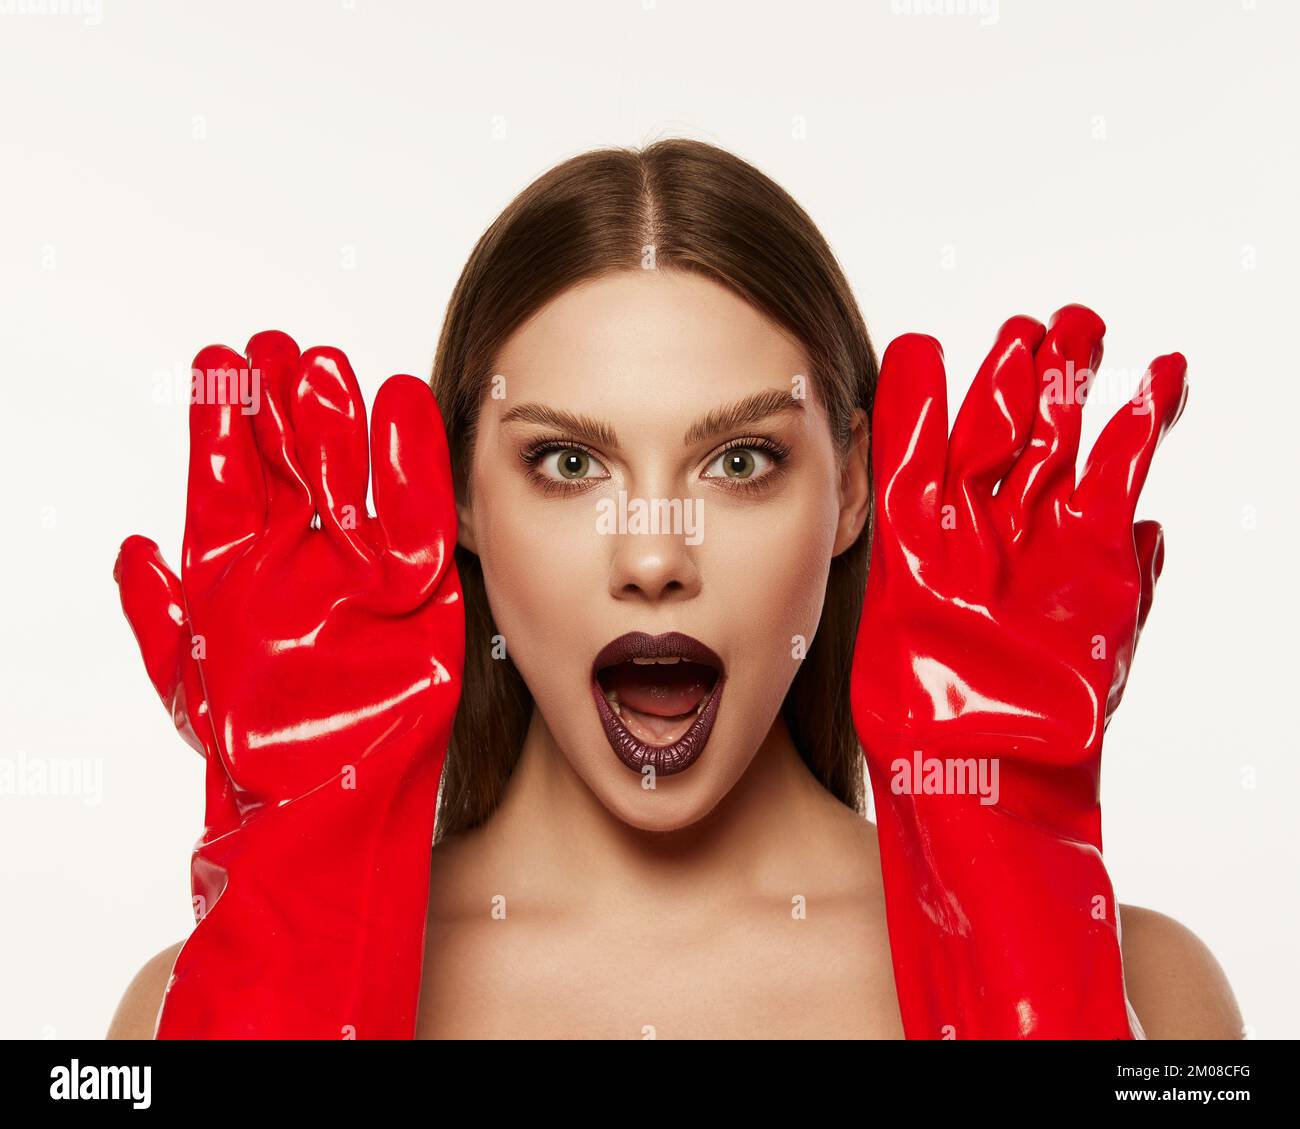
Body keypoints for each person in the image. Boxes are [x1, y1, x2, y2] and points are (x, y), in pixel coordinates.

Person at [108, 139, 1243, 1040]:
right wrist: (296, 946)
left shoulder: (1146, 990)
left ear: (854, 485)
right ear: (456, 498)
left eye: (740, 460)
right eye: (568, 462)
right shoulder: (188, 1004)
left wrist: (1012, 914)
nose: (653, 554)